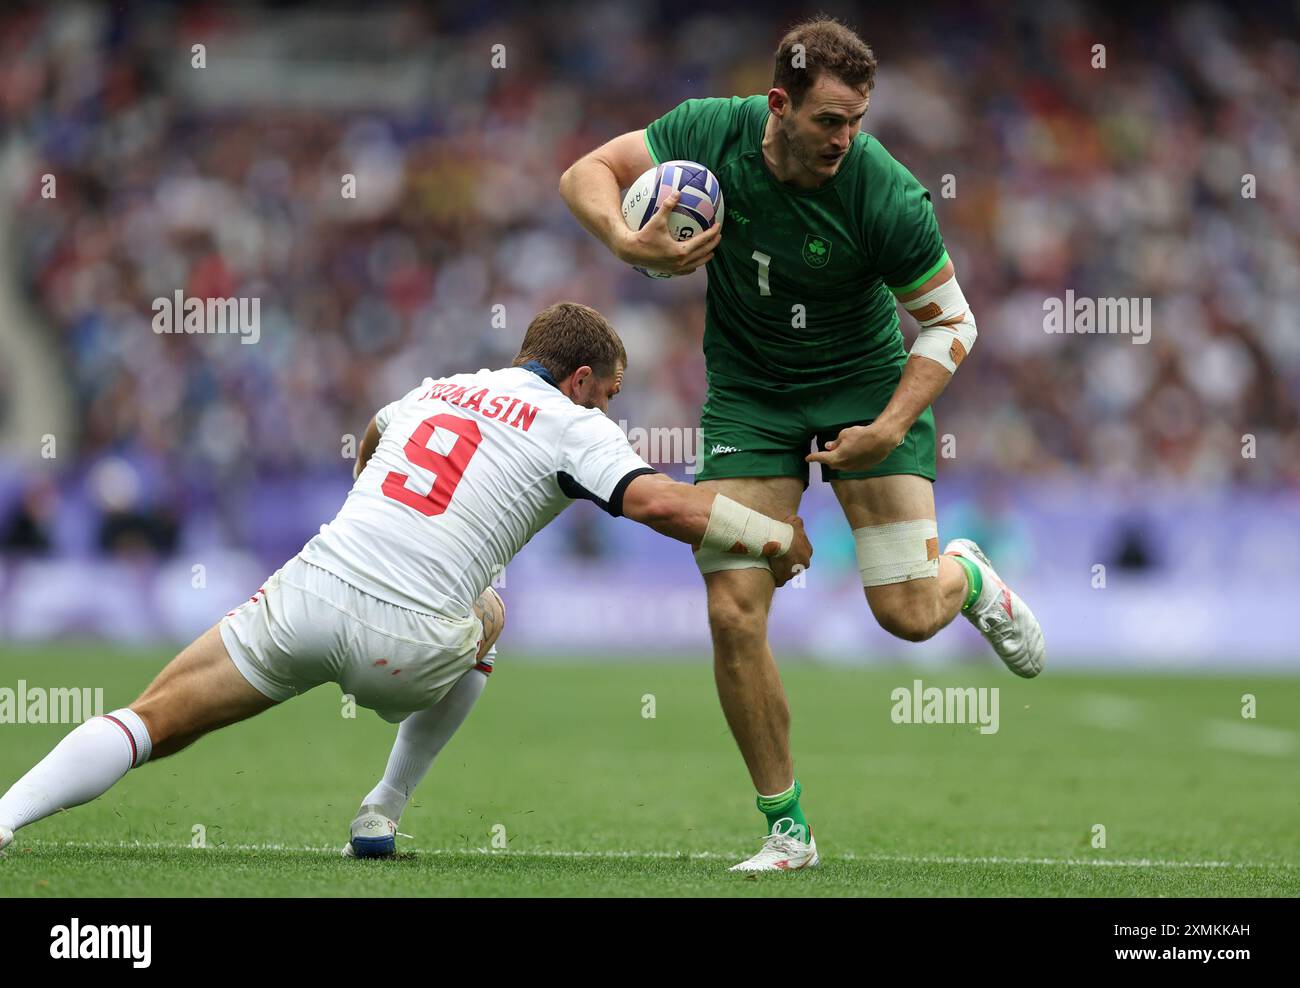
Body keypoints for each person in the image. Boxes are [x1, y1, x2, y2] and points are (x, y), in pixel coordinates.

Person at [0, 302, 812, 858]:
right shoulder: (573, 424)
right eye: (610, 394)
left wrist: (376, 513)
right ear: (580, 380)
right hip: (411, 646)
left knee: (151, 721)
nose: (610, 410)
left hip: (313, 593)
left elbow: (376, 432)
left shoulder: (439, 388)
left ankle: (6, 815)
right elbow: (662, 504)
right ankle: (383, 808)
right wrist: (771, 534)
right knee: (491, 606)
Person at [559, 16, 1045, 871]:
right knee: (731, 609)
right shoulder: (711, 131)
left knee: (904, 614)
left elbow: (952, 322)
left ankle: (966, 577)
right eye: (830, 120)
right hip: (751, 399)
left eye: (858, 119)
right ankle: (788, 830)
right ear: (778, 105)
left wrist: (889, 427)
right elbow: (585, 172)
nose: (846, 138)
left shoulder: (883, 192)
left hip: (866, 389)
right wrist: (623, 239)